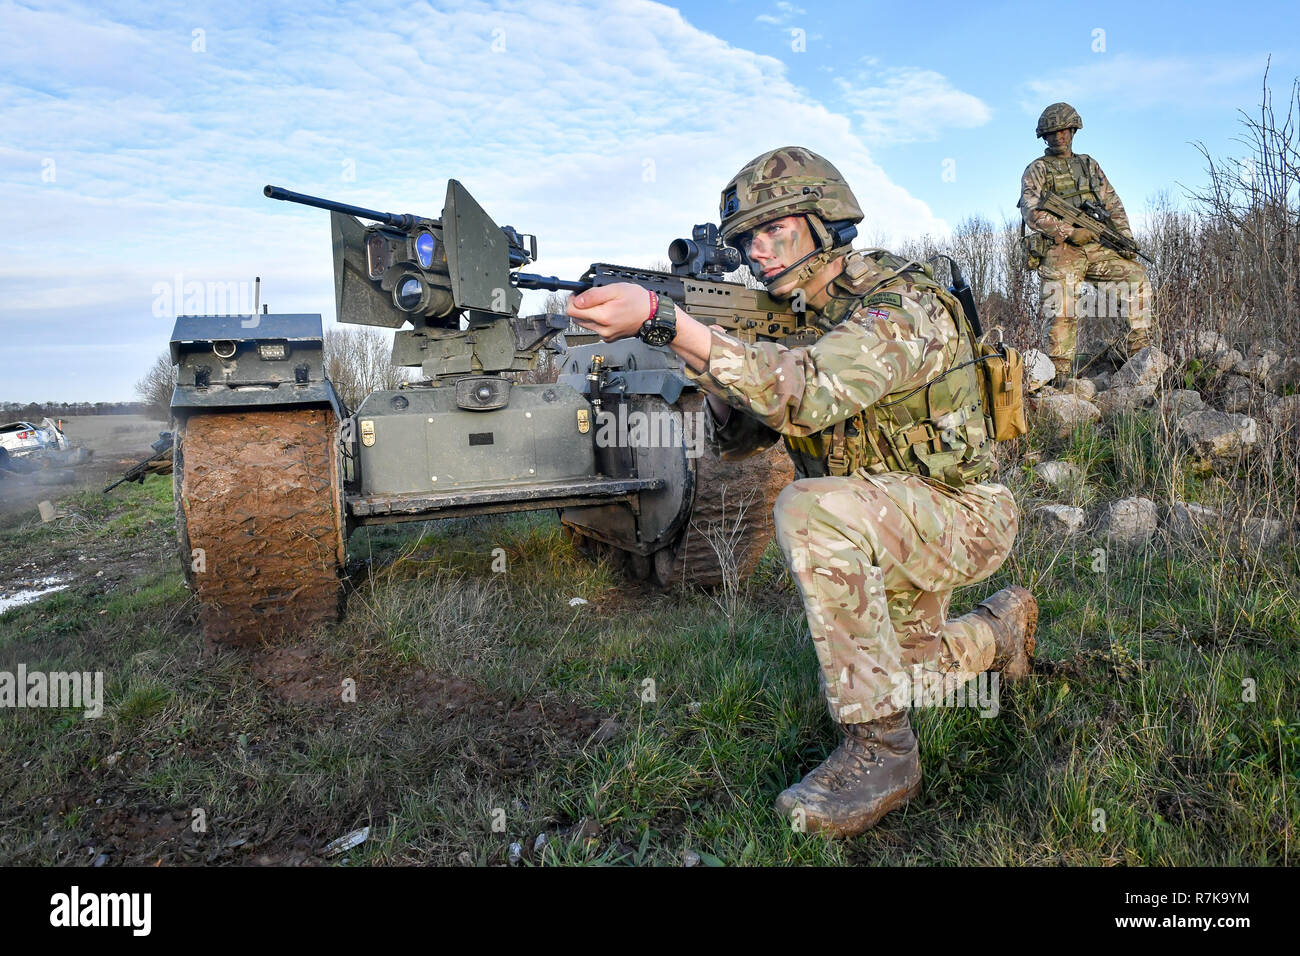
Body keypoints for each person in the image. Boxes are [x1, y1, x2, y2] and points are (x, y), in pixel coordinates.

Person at [567, 147, 1037, 837]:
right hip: (885, 522)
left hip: (961, 514)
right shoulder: (794, 319)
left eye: (772, 231)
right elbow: (743, 440)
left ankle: (883, 754)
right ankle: (1002, 630)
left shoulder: (901, 304)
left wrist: (674, 325)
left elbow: (810, 393)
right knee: (904, 677)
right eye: (746, 240)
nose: (756, 252)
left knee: (806, 506)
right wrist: (707, 360)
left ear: (825, 223)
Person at [1019, 103, 1153, 383]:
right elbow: (1032, 213)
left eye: (1063, 131)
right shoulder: (1037, 169)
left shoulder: (1089, 164)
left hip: (1096, 246)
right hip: (1060, 248)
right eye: (1052, 133)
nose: (1058, 137)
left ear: (1073, 130)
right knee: (1061, 303)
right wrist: (1068, 231)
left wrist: (1124, 238)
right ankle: (1060, 375)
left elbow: (1112, 204)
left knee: (1136, 278)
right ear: (1044, 136)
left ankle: (1138, 357)